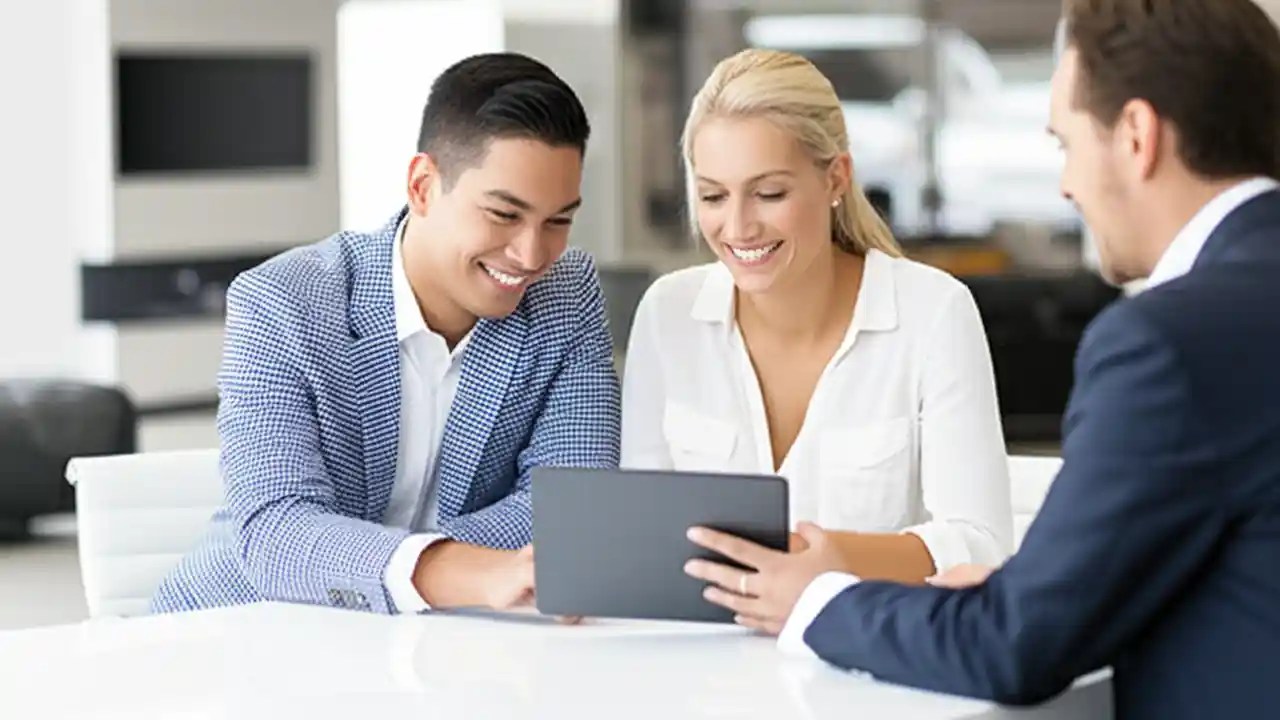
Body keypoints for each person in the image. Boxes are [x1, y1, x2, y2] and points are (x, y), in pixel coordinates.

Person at [683, 1, 1280, 716]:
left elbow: (1010, 647)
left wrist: (815, 600)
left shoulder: (1167, 345)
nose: (1066, 185)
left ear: (1135, 136)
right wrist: (1016, 596)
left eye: (1065, 143)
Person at [152, 53, 620, 615]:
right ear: (422, 186)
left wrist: (418, 574)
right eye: (503, 215)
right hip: (249, 631)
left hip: (447, 647)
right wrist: (452, 571)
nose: (531, 254)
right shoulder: (282, 302)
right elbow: (276, 532)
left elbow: (573, 508)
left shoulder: (566, 296)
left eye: (558, 221)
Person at [622, 48, 1012, 585]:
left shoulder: (933, 312)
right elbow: (640, 527)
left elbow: (980, 545)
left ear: (836, 179)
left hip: (865, 653)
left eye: (769, 193)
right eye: (713, 195)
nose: (738, 227)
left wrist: (824, 566)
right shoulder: (668, 314)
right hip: (701, 656)